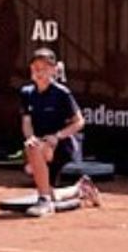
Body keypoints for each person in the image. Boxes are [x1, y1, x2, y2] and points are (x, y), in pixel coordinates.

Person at [20, 48, 101, 217]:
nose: (38, 71)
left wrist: (57, 136)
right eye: (35, 67)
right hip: (42, 145)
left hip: (63, 145)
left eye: (43, 67)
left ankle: (44, 201)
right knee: (33, 149)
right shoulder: (26, 93)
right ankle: (80, 188)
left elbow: (79, 122)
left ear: (53, 70)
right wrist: (31, 137)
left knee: (34, 150)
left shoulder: (62, 93)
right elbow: (26, 122)